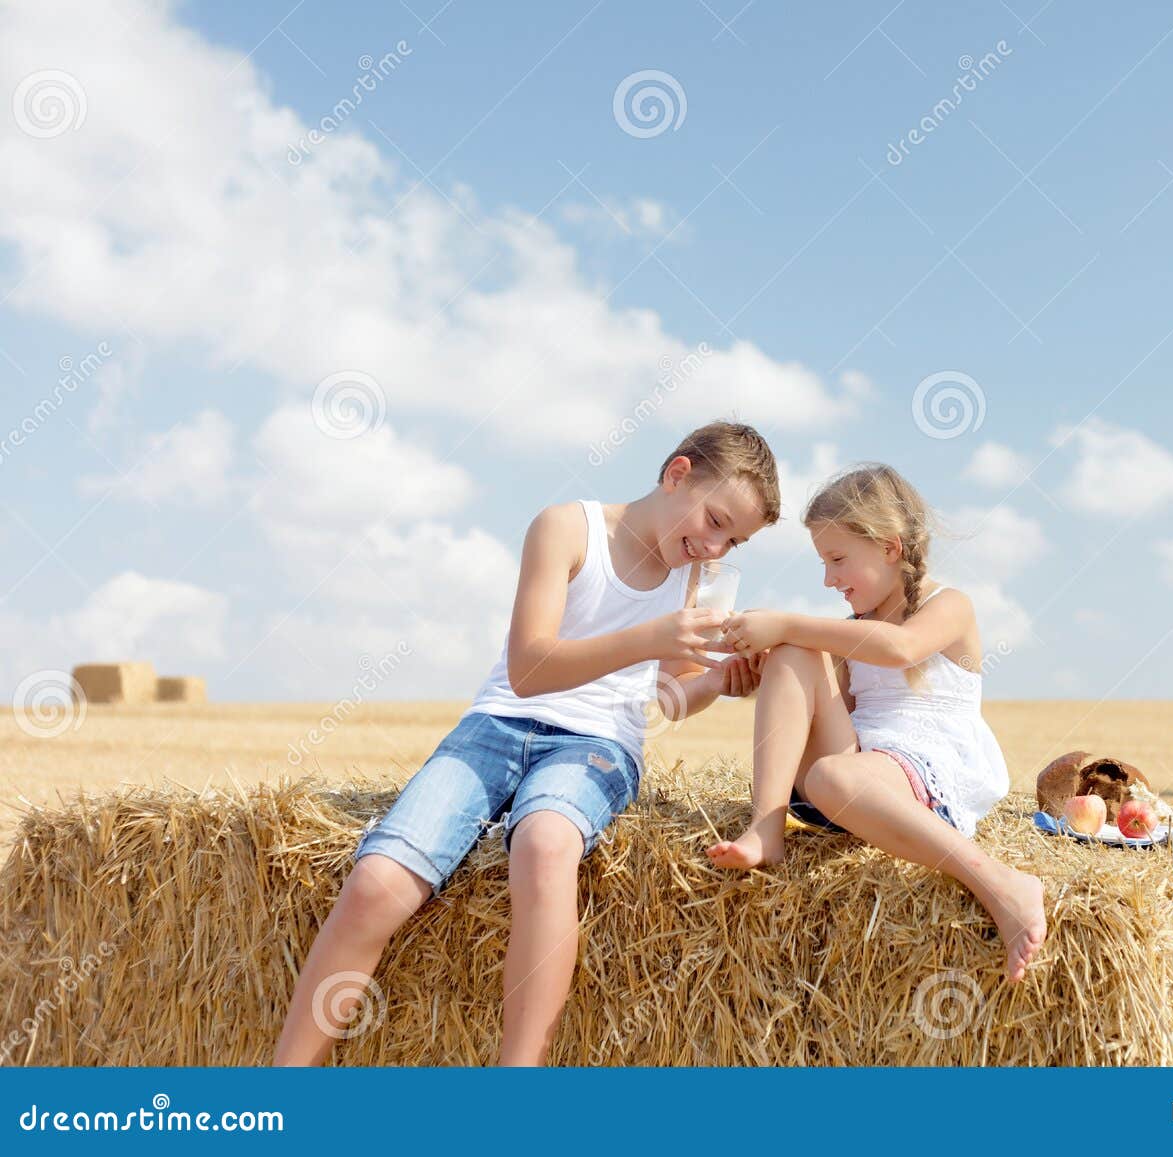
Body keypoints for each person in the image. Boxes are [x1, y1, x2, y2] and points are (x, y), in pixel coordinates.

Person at [273, 421, 781, 1065]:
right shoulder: (566, 528)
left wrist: (720, 681)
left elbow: (671, 698)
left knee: (545, 844)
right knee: (375, 884)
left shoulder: (692, 578)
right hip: (496, 725)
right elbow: (529, 668)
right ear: (677, 473)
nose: (714, 547)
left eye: (733, 540)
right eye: (715, 521)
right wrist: (651, 640)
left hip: (597, 746)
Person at [706, 463, 1046, 982]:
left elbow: (901, 648)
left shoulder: (948, 605)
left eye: (838, 559)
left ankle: (1003, 883)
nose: (828, 579)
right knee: (796, 656)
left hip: (917, 777)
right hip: (858, 771)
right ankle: (766, 828)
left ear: (891, 548)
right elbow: (831, 707)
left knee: (831, 771)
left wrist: (790, 622)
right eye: (823, 562)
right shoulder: (853, 631)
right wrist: (765, 670)